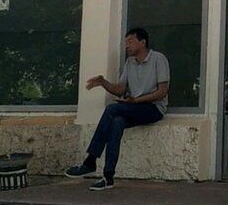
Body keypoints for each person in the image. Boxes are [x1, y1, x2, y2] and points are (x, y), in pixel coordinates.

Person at [64, 27, 169, 190]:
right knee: (116, 123)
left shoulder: (159, 59)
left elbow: (162, 92)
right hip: (134, 106)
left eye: (130, 41)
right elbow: (120, 89)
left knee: (112, 109)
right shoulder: (129, 63)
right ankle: (108, 177)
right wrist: (103, 82)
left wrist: (137, 100)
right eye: (126, 42)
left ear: (142, 42)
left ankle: (90, 161)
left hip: (153, 108)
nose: (127, 45)